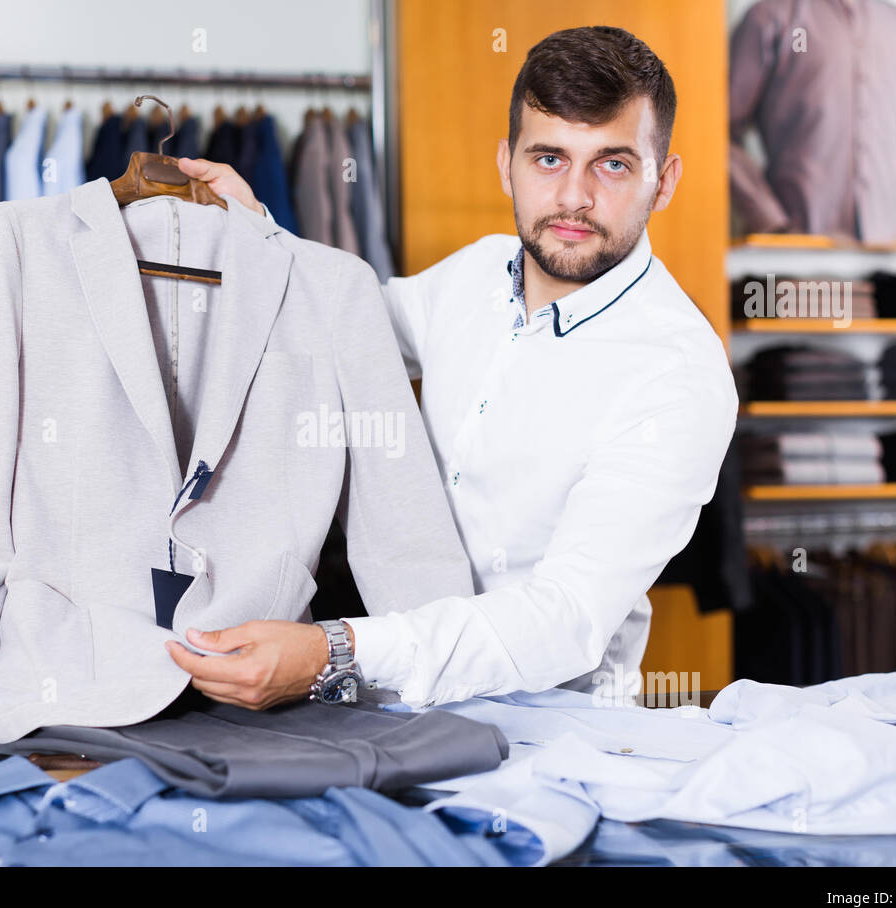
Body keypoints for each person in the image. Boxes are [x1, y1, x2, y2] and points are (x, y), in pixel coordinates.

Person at [164, 26, 738, 711]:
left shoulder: (677, 375)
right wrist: (257, 227)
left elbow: (566, 618)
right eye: (549, 158)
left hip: (546, 728)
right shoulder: (473, 274)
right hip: (395, 700)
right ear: (507, 164)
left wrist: (335, 651)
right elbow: (340, 324)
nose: (576, 197)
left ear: (663, 180)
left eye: (612, 164)